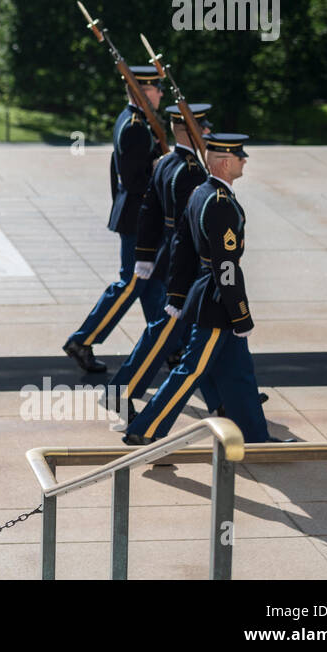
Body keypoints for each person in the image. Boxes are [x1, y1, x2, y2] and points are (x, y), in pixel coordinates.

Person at [123, 134, 289, 445]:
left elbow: (182, 247)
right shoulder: (220, 203)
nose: (244, 161)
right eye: (240, 157)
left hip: (207, 294)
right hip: (216, 303)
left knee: (240, 376)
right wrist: (241, 316)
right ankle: (144, 430)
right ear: (226, 163)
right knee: (190, 371)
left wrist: (176, 295)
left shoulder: (201, 193)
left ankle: (256, 437)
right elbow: (226, 268)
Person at [105, 103, 220, 422]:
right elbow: (190, 229)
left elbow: (148, 213)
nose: (208, 133)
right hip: (184, 268)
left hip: (168, 261)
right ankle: (120, 391)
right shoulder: (191, 171)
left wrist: (144, 255)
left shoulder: (167, 162)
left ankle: (225, 398)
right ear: (192, 131)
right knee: (165, 334)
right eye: (204, 128)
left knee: (202, 335)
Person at [63, 67, 166, 373]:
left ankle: (169, 345)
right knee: (131, 284)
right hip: (139, 220)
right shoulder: (135, 126)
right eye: (155, 88)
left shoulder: (134, 120)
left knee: (153, 285)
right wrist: (160, 169)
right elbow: (136, 181)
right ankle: (82, 340)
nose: (160, 93)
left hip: (139, 217)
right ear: (141, 91)